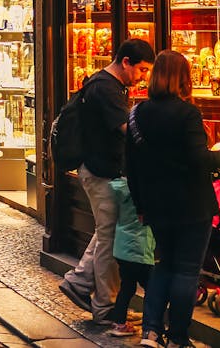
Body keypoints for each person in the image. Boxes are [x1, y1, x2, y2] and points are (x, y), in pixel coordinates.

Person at [128, 51, 220, 348]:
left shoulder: (138, 113)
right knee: (186, 270)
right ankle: (178, 337)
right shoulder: (188, 114)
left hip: (156, 205)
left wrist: (140, 206)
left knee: (164, 265)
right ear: (183, 78)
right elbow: (199, 159)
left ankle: (150, 332)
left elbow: (131, 166)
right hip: (191, 204)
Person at [60, 38, 156, 324]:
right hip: (100, 172)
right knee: (110, 239)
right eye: (141, 70)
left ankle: (78, 283)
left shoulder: (105, 84)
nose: (143, 77)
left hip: (100, 171)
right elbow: (129, 130)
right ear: (125, 62)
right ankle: (105, 307)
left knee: (107, 232)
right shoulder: (106, 89)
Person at [106, 177, 154, 338]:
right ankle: (150, 328)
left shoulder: (121, 188)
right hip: (138, 248)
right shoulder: (144, 191)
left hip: (122, 248)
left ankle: (118, 323)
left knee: (127, 286)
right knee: (152, 288)